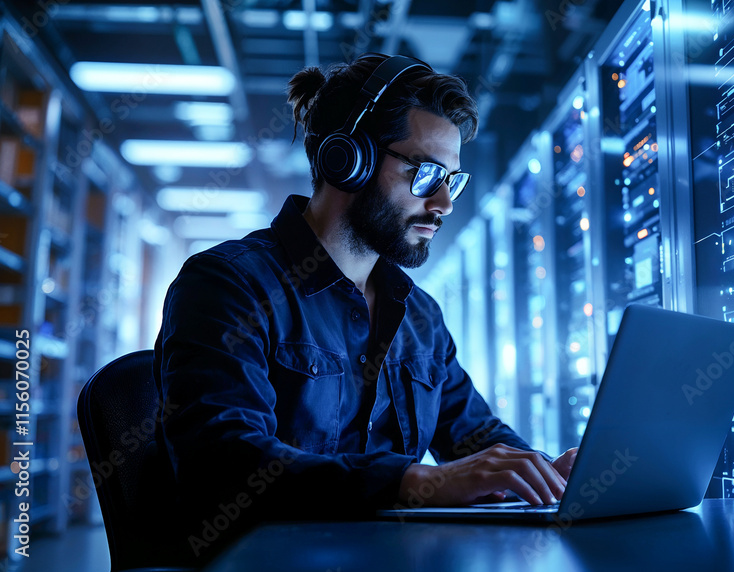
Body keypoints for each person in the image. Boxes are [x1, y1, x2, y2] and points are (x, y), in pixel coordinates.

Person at [153, 53, 577, 560]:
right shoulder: (228, 284)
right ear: (347, 160)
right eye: (425, 173)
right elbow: (225, 464)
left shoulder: (419, 316)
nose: (443, 202)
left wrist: (549, 473)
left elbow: (476, 436)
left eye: (453, 181)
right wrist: (413, 481)